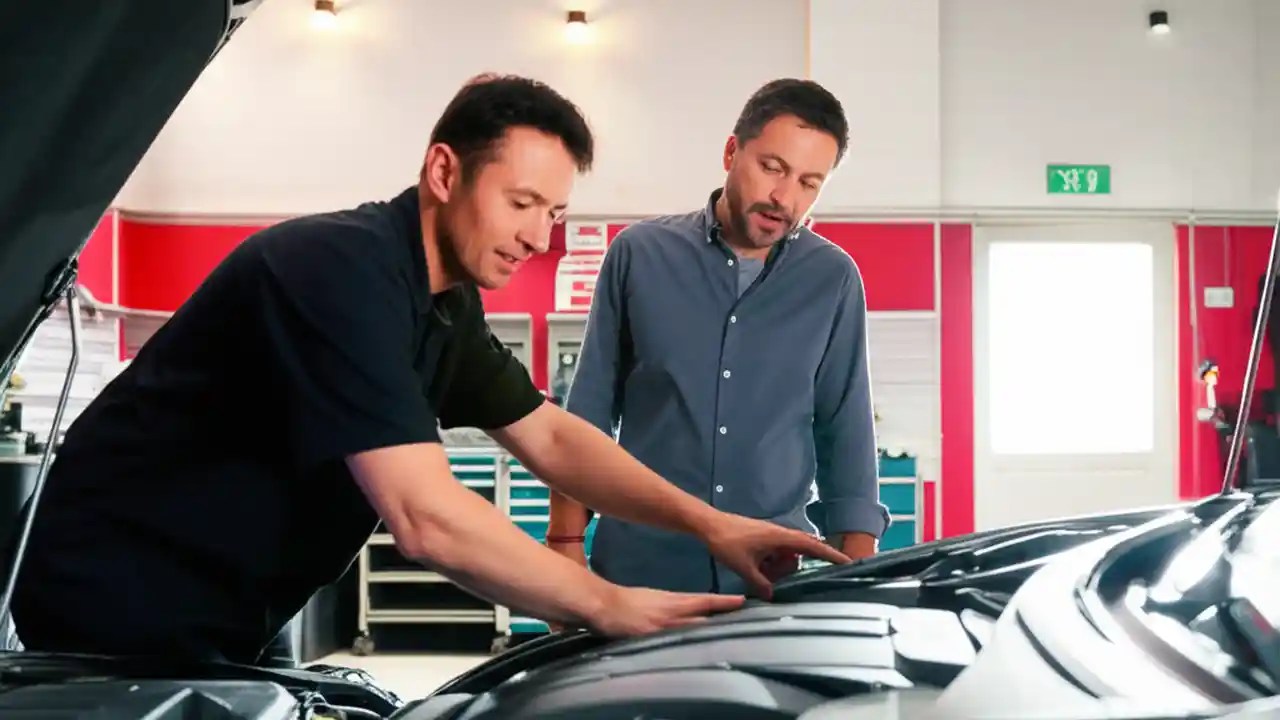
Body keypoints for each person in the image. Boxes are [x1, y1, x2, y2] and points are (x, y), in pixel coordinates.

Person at [8, 74, 849, 665]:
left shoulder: (443, 304)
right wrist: (604, 601)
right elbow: (425, 518)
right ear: (444, 171)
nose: (539, 236)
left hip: (219, 611)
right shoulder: (338, 271)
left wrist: (712, 525)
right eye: (521, 204)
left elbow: (553, 438)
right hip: (113, 603)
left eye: (555, 213)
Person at [548, 78, 887, 596]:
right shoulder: (639, 255)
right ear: (732, 152)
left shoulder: (832, 278)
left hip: (770, 581)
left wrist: (861, 579)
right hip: (641, 572)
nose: (784, 197)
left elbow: (845, 430)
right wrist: (565, 540)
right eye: (772, 167)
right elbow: (590, 410)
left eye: (808, 182)